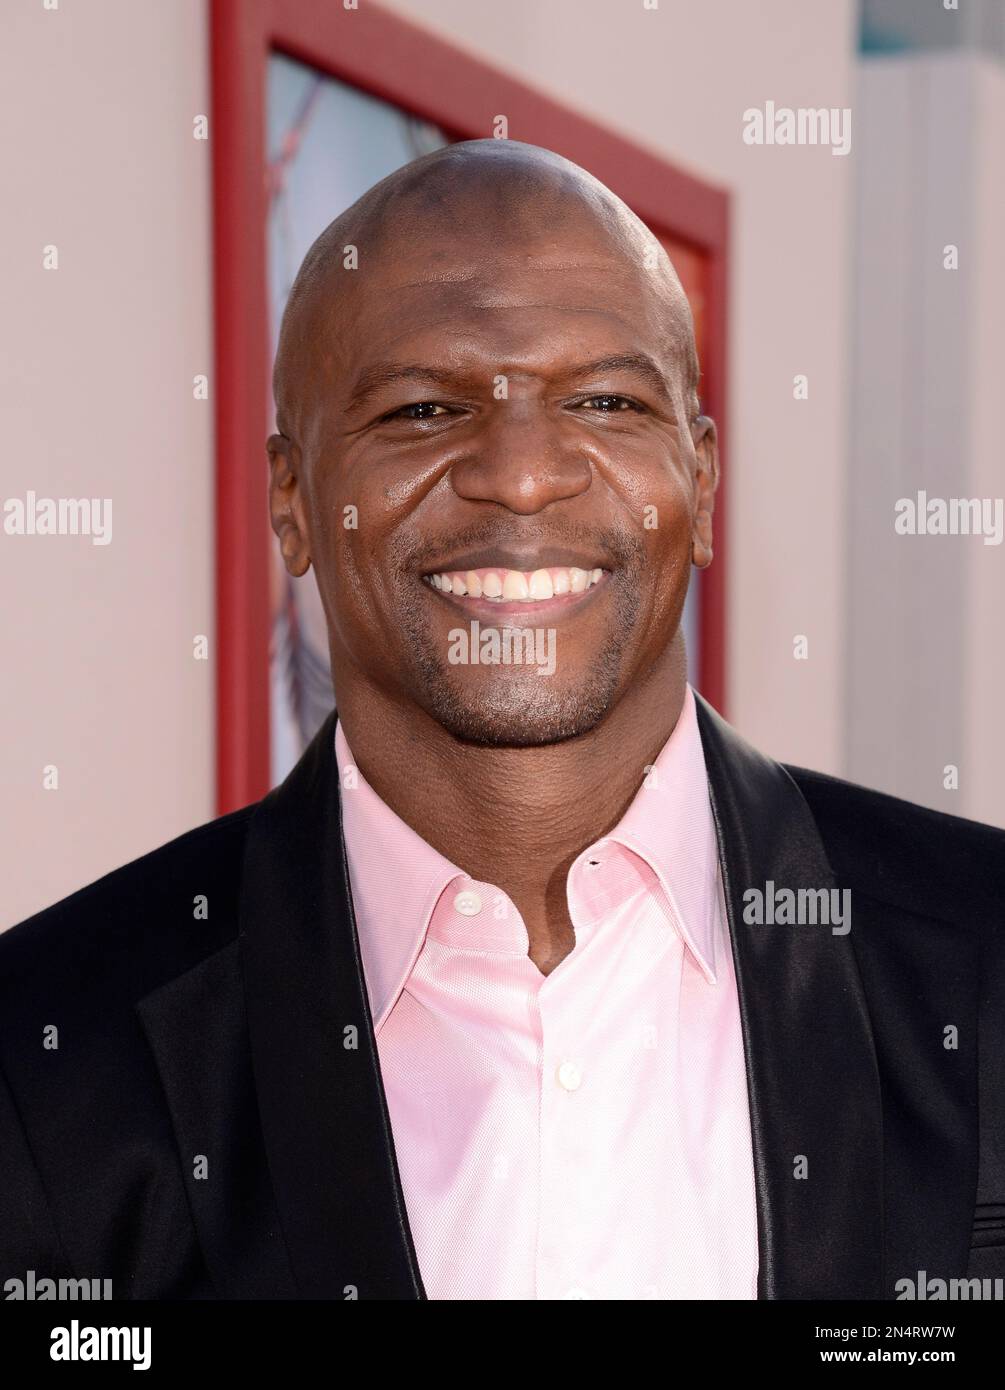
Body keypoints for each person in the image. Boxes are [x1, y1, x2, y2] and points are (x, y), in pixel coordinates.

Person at [2, 140, 1003, 1302]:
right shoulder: (47, 1057)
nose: (523, 475)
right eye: (424, 408)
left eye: (604, 402)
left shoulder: (980, 957)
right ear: (292, 500)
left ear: (704, 479)